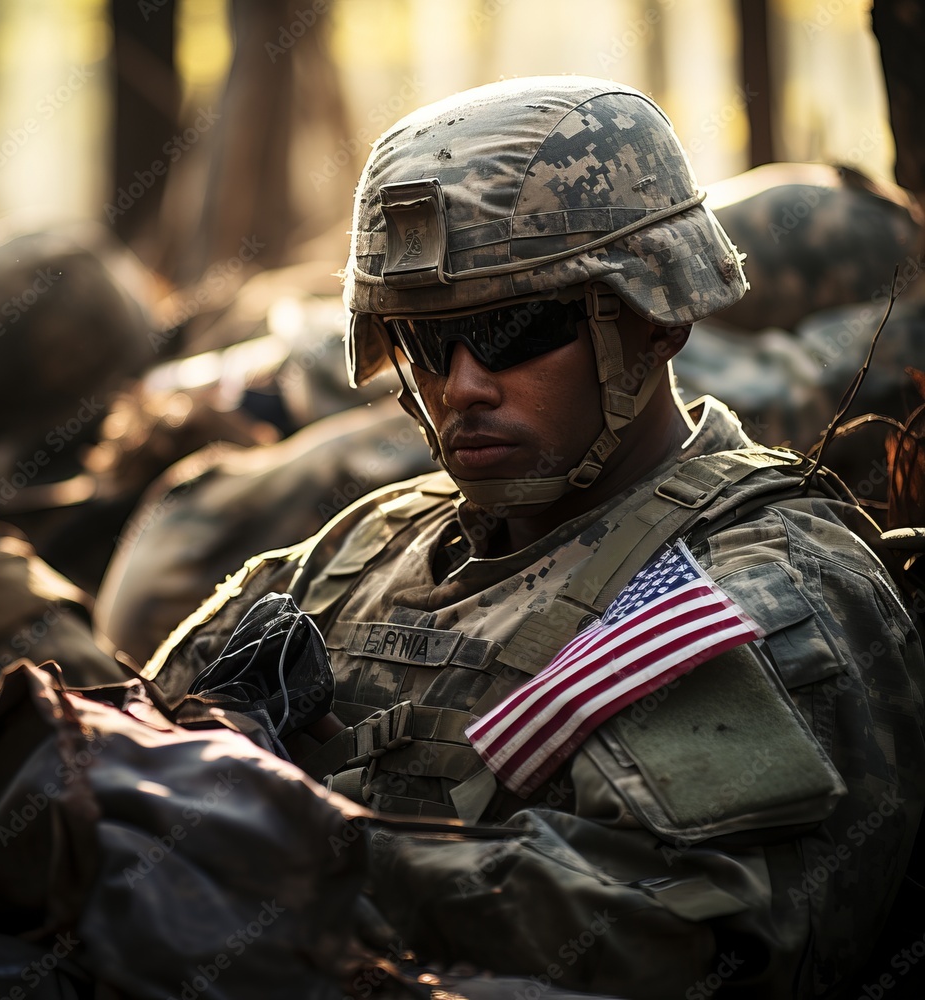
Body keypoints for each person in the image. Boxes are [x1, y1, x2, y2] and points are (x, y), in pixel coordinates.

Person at [146, 76, 925, 998]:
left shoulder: (757, 593)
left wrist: (277, 844)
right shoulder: (357, 550)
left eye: (514, 329)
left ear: (655, 317)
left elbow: (678, 946)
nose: (462, 386)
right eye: (425, 342)